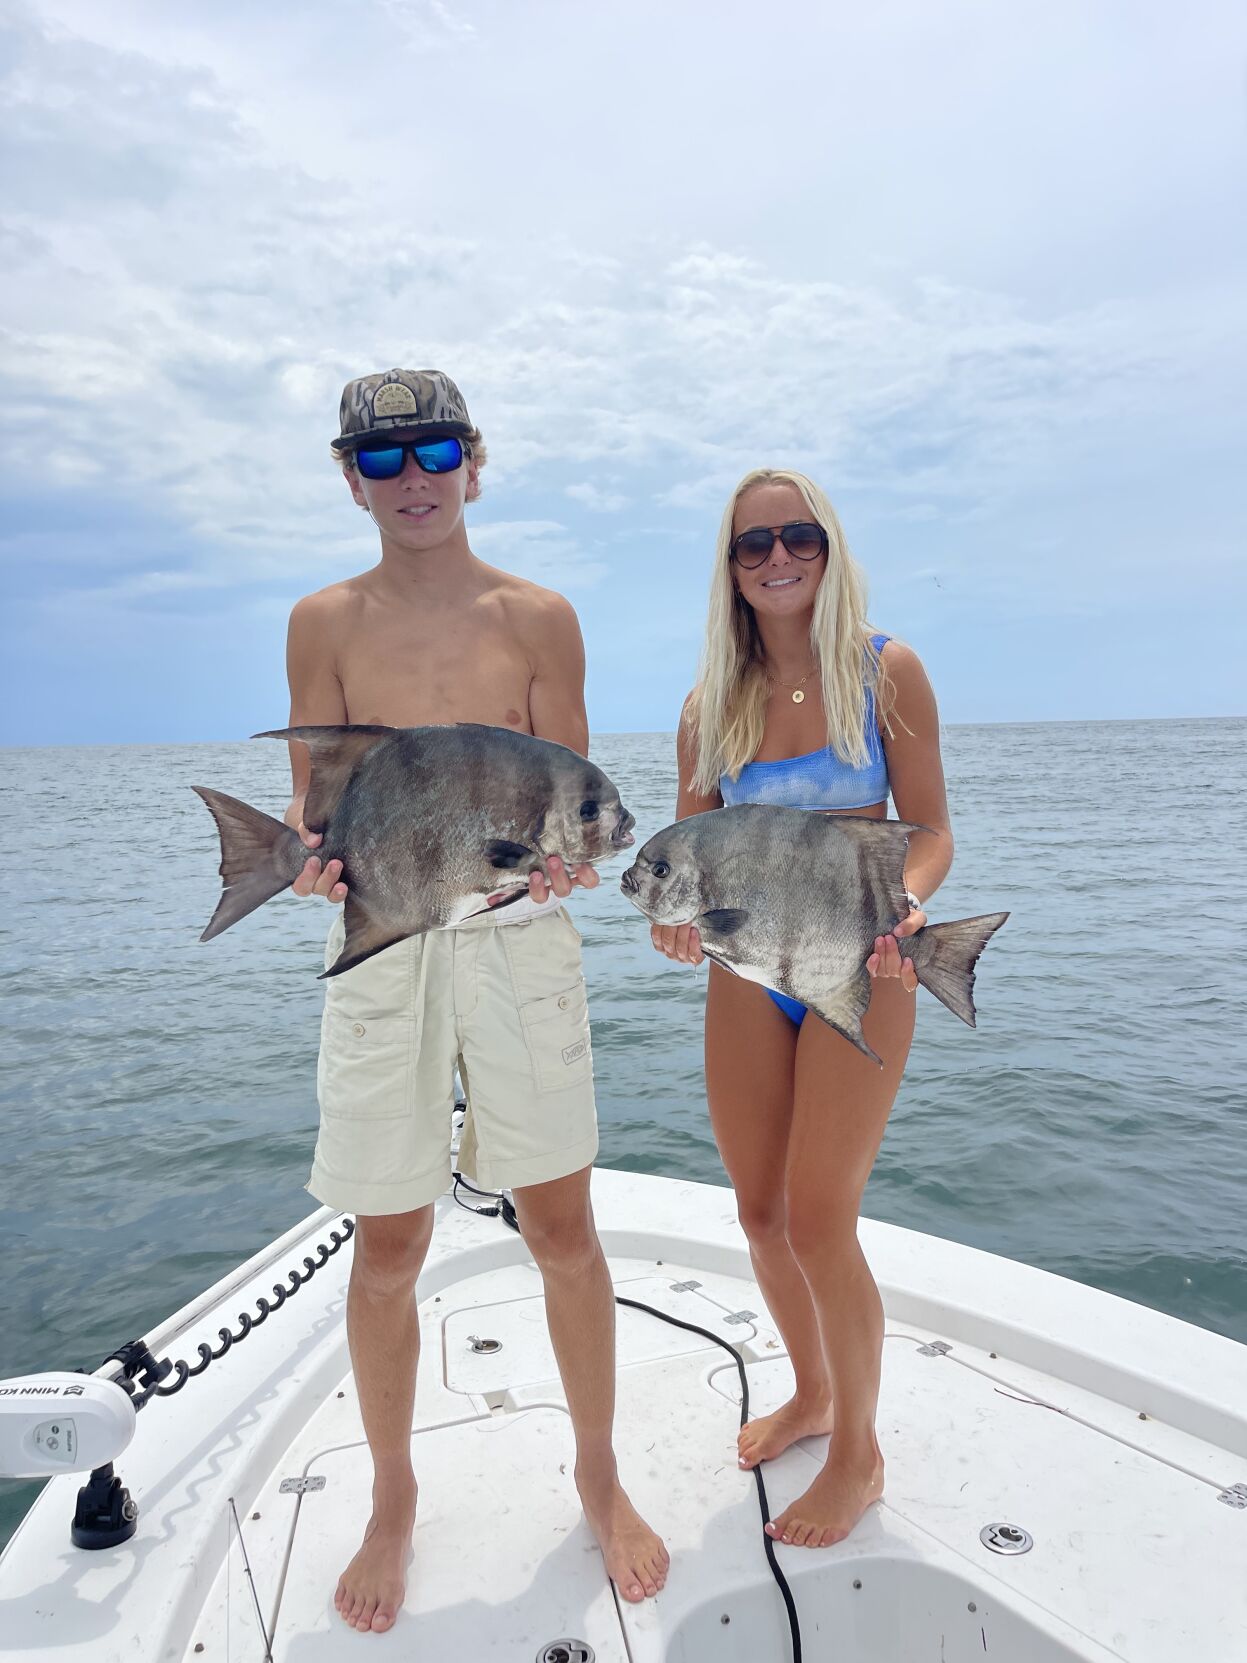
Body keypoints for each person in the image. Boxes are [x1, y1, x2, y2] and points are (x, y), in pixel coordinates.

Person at [284, 368, 668, 1632]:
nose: (412, 480)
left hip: (520, 940)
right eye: (381, 460)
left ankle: (598, 1476)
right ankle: (393, 1494)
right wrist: (308, 858)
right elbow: (317, 799)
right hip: (387, 940)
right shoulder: (321, 621)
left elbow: (576, 802)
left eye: (433, 450)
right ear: (351, 478)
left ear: (473, 462)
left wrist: (571, 859)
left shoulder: (538, 616)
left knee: (563, 1227)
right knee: (386, 1245)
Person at [651, 467, 954, 1549]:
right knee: (759, 1211)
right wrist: (672, 926)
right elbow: (682, 859)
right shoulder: (707, 706)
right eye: (751, 545)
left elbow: (927, 830)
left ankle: (861, 1456)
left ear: (826, 546)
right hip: (749, 979)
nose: (776, 557)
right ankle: (814, 1392)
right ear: (729, 571)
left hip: (864, 972)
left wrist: (906, 909)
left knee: (821, 1213)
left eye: (797, 537)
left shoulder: (885, 672)